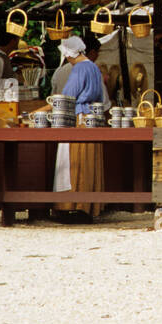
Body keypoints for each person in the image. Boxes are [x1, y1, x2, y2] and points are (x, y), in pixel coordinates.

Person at [56, 33, 107, 219]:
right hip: (93, 118)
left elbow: (68, 96)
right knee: (90, 163)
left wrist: (44, 108)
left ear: (70, 54)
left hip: (79, 119)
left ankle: (75, 205)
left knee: (76, 162)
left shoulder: (79, 68)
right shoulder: (94, 68)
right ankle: (90, 206)